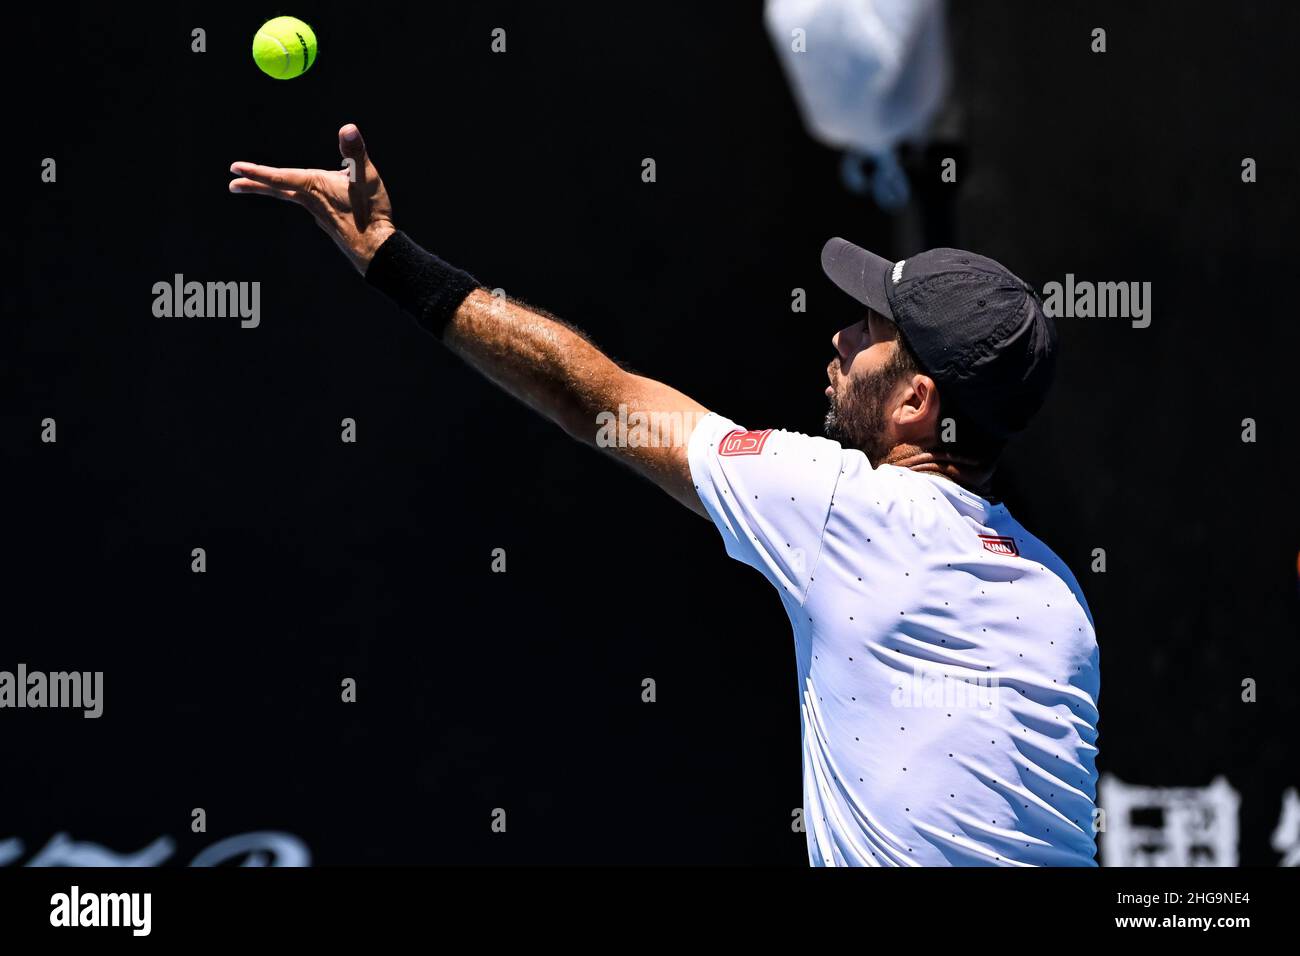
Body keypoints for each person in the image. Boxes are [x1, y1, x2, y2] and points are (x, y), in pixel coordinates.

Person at [229, 124, 1100, 866]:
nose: (838, 335)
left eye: (869, 333)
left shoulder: (843, 508)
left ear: (917, 404)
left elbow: (596, 398)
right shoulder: (1061, 597)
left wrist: (393, 260)